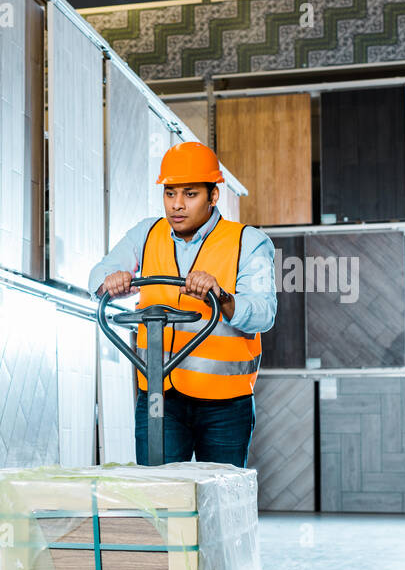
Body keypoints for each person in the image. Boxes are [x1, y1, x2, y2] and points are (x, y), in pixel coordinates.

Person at [89, 141, 277, 468]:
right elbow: (98, 276)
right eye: (170, 193)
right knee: (160, 496)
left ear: (213, 196)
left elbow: (263, 312)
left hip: (225, 403)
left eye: (190, 194)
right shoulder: (145, 234)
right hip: (160, 398)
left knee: (219, 500)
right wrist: (114, 281)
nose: (177, 205)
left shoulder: (248, 242)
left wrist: (220, 296)